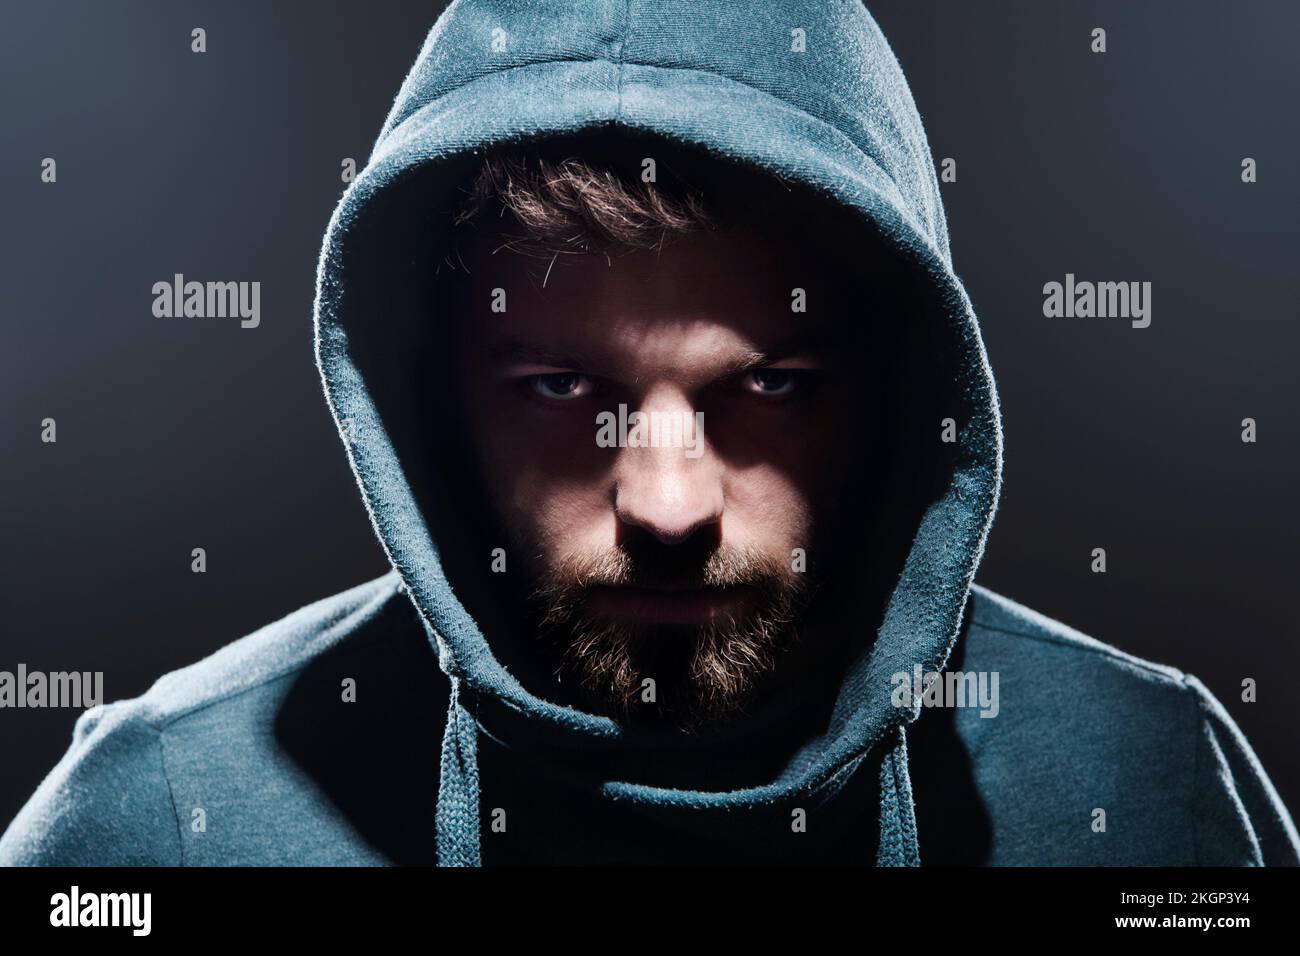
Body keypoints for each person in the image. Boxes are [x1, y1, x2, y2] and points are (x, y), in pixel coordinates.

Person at [3, 0, 1295, 867]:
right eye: (561, 392)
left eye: (772, 385)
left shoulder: (1148, 787)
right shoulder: (167, 818)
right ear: (436, 403)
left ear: (896, 400)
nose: (668, 507)